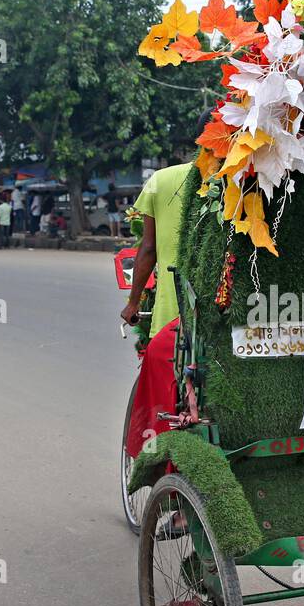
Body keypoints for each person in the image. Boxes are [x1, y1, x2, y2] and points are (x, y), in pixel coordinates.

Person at [121, 161, 198, 461]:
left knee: (168, 407)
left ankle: (160, 470)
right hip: (226, 316)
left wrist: (133, 302)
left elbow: (148, 248)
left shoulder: (160, 180)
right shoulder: (241, 175)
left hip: (172, 318)